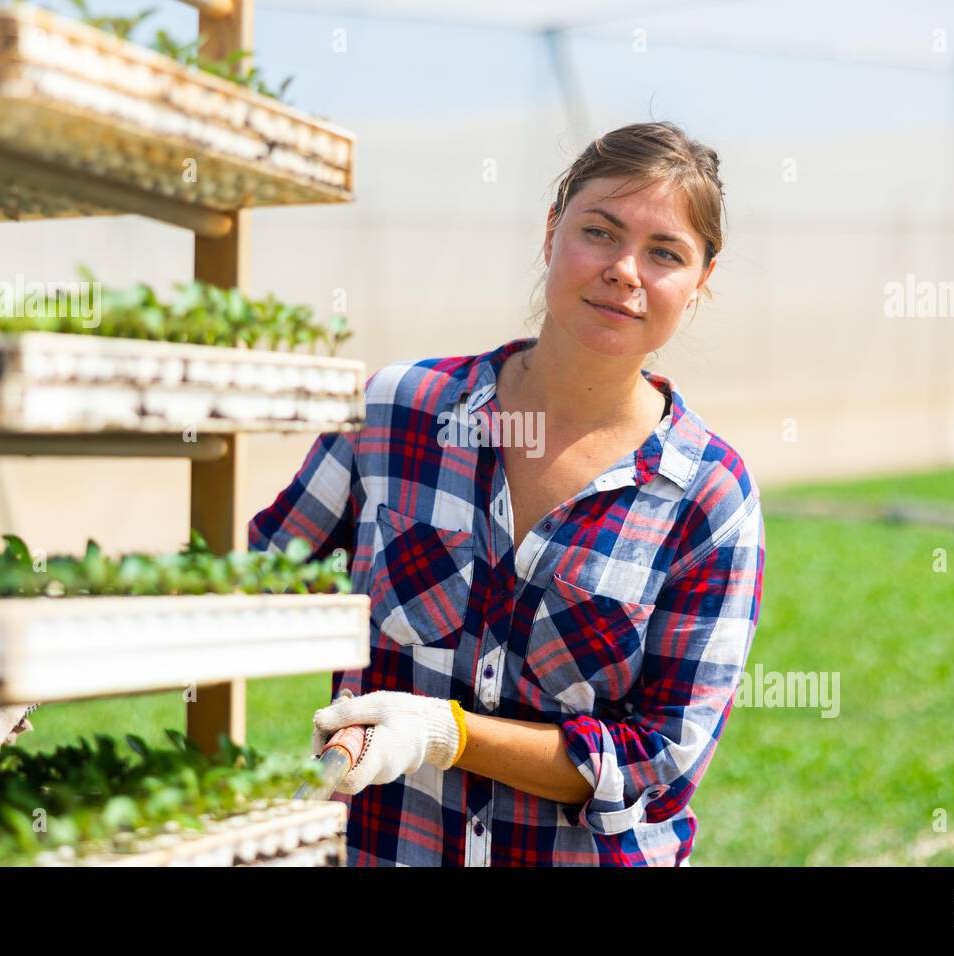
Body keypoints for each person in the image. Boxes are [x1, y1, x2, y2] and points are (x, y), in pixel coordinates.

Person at [248, 120, 765, 867]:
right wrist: (57, 662)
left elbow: (662, 760)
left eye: (665, 254)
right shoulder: (399, 413)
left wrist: (445, 734)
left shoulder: (709, 498)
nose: (625, 271)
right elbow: (254, 582)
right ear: (552, 232)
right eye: (600, 231)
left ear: (700, 283)